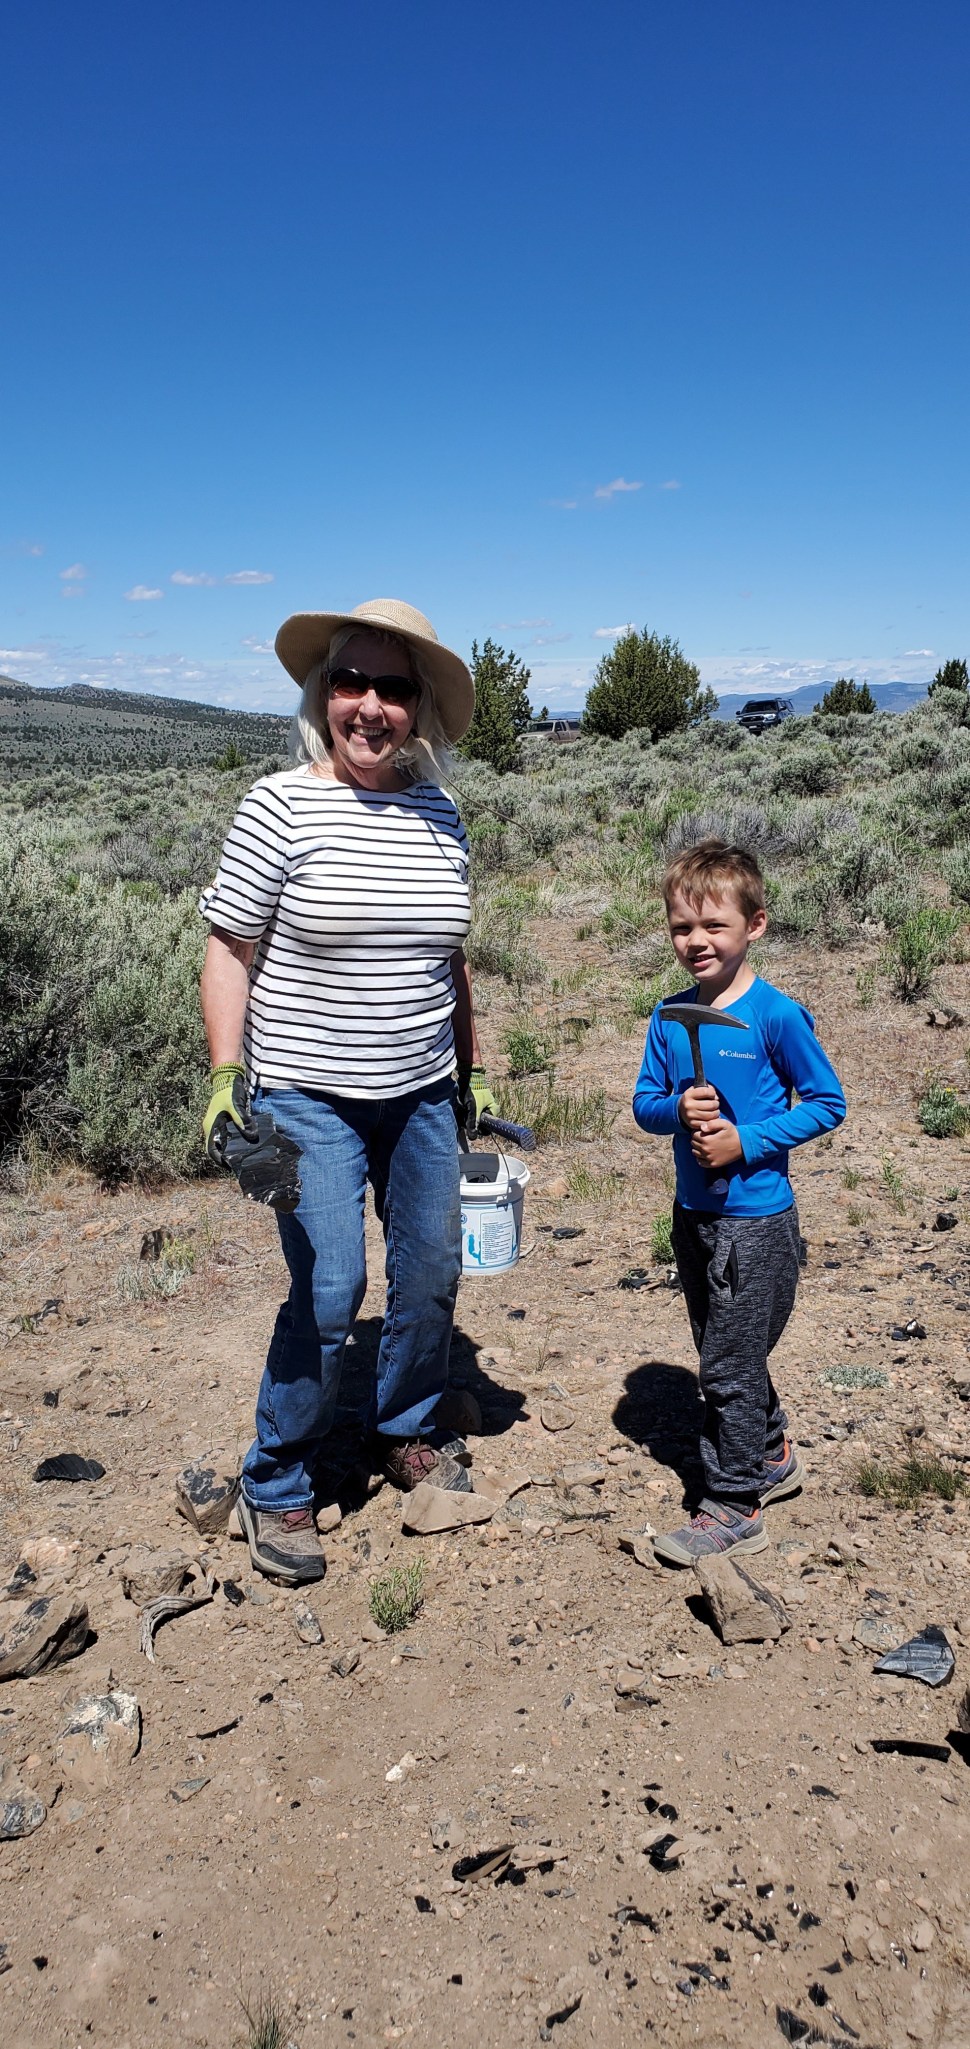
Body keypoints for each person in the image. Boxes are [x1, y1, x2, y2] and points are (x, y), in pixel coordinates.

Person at [198, 599, 497, 1586]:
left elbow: (446, 959)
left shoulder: (438, 813)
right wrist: (225, 1076)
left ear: (420, 711)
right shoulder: (277, 805)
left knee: (432, 1270)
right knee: (331, 1285)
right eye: (350, 683)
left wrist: (471, 1068)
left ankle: (405, 1427)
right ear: (322, 694)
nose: (369, 706)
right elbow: (229, 950)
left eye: (393, 688)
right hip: (298, 1094)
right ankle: (276, 1478)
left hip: (416, 1090)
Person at [632, 838, 846, 1565]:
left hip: (755, 1219)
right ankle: (772, 1449)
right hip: (693, 1215)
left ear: (754, 924)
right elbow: (643, 1105)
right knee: (724, 1346)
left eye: (713, 926)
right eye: (682, 927)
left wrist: (745, 1141)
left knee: (727, 1362)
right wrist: (678, 1110)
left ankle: (733, 1502)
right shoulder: (669, 1016)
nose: (696, 941)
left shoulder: (776, 1016)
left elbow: (826, 1102)